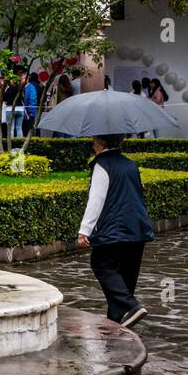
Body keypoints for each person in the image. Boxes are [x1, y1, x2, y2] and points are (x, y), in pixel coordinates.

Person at [78, 134, 152, 328]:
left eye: (94, 141)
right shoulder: (131, 164)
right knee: (126, 274)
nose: (93, 145)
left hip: (114, 229)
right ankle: (117, 320)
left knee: (101, 264)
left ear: (101, 143)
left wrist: (85, 230)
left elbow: (97, 199)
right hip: (137, 228)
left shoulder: (102, 164)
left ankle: (131, 306)